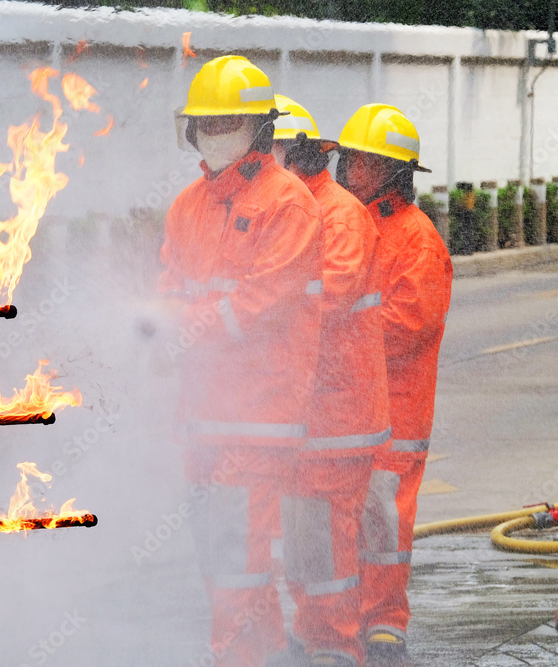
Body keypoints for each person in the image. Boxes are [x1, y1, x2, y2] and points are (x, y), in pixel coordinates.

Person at [159, 56, 325, 666]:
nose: (214, 132)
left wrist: (184, 329)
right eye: (206, 122)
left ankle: (235, 657)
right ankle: (265, 648)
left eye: (227, 120)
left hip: (260, 410)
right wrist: (154, 327)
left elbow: (262, 301)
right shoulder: (187, 205)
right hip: (201, 411)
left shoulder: (289, 202)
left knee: (238, 545)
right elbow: (169, 285)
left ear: (258, 127)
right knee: (217, 547)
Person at [272, 96, 392, 667]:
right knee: (305, 534)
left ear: (303, 156)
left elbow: (330, 297)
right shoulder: (292, 207)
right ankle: (316, 630)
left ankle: (338, 644)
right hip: (307, 413)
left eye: (273, 152)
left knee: (330, 535)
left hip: (340, 414)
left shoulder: (339, 214)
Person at [337, 104, 453, 666]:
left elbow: (408, 324)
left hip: (396, 415)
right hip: (352, 408)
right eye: (348, 157)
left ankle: (384, 621)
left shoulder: (416, 238)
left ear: (391, 169)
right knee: (342, 518)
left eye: (360, 159)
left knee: (383, 522)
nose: (348, 168)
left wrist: (335, 335)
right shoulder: (352, 223)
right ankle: (344, 618)